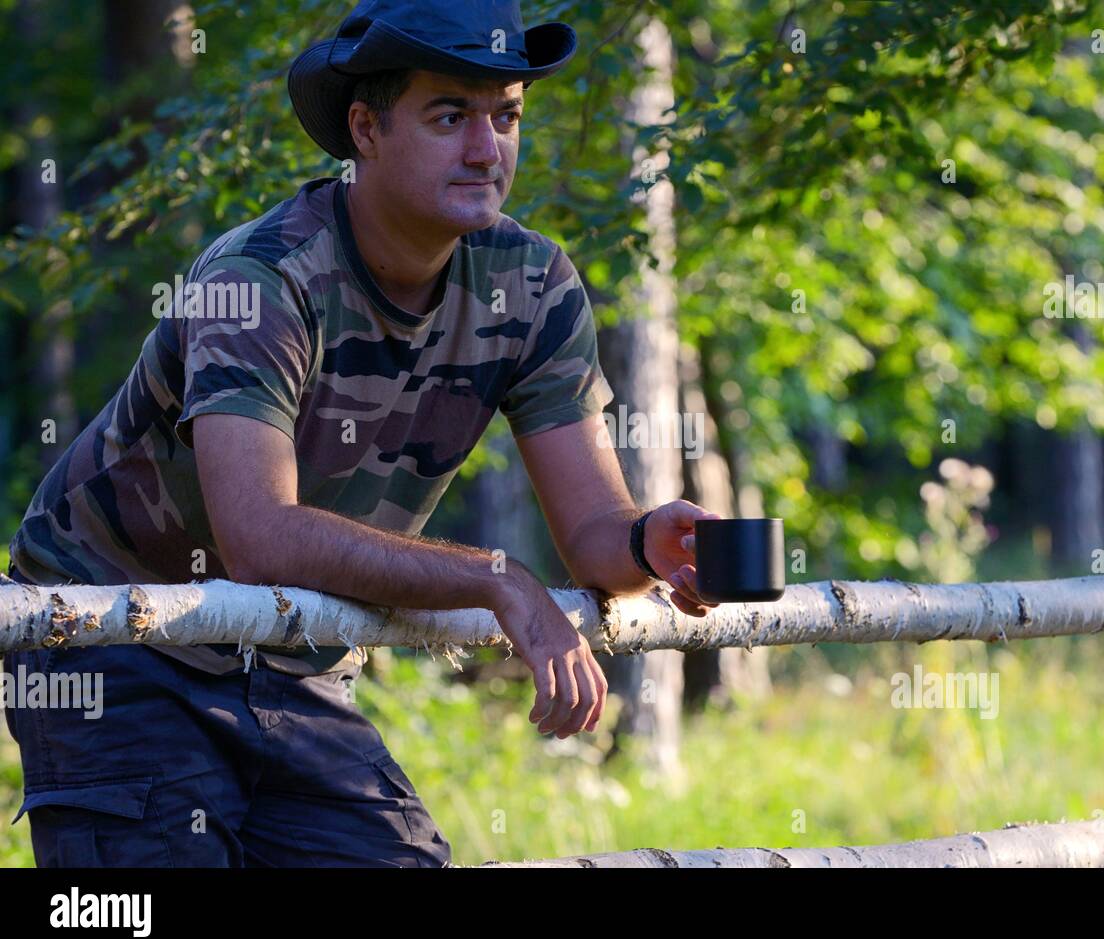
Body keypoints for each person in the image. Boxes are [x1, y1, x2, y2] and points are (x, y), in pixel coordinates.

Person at [2, 0, 719, 867]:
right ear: (365, 128)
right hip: (116, 636)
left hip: (291, 653)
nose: (489, 149)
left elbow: (594, 536)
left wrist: (651, 544)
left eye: (507, 115)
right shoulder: (260, 280)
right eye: (451, 115)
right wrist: (495, 579)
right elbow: (261, 533)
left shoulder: (532, 286)